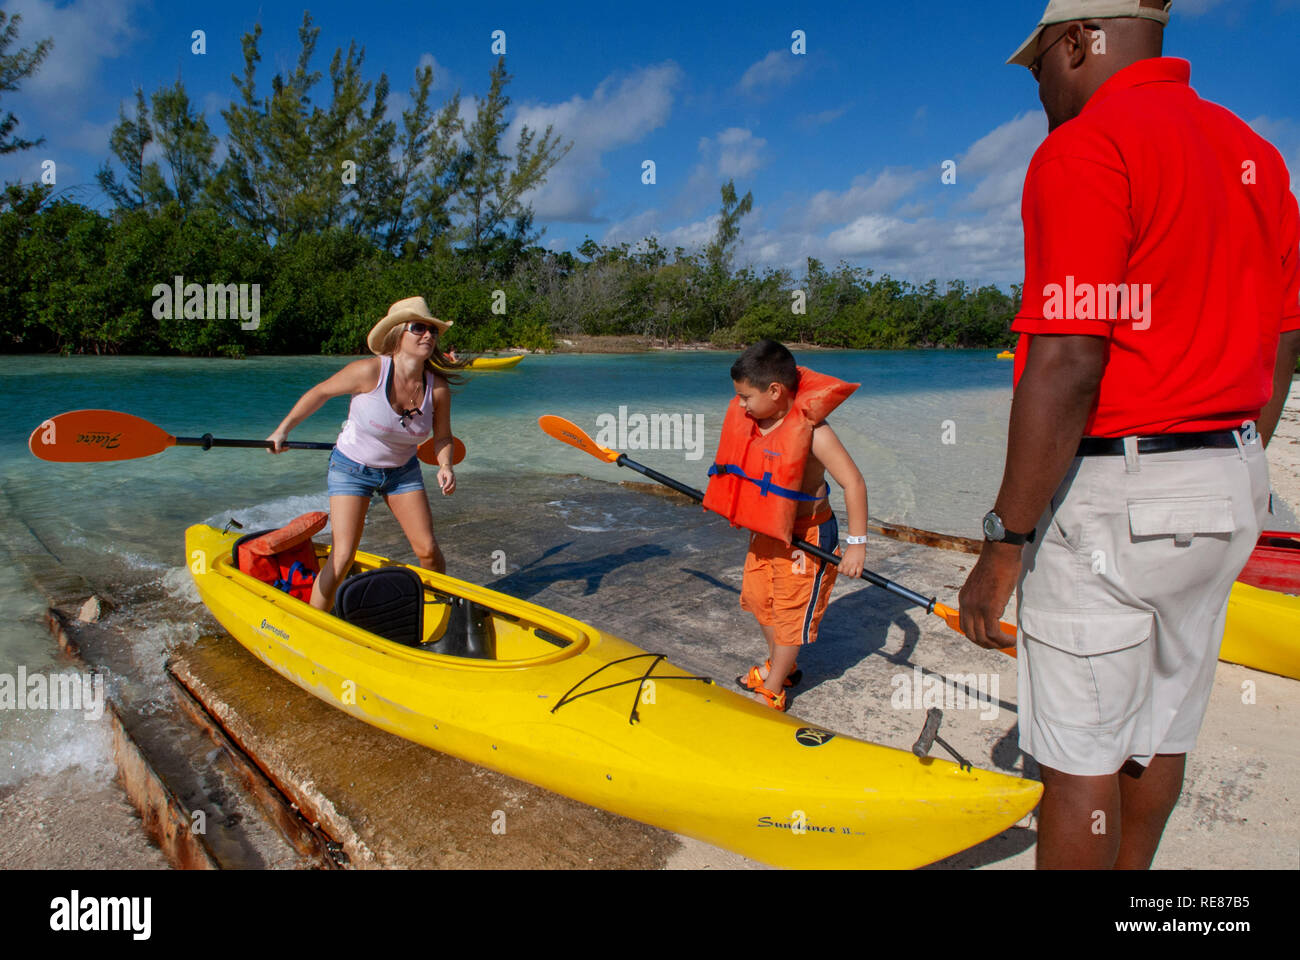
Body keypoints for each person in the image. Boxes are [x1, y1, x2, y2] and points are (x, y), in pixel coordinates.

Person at [959, 0, 1300, 869]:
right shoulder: (1252, 152)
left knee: (1078, 764)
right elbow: (1286, 331)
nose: (1039, 91)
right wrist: (1240, 455)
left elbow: (1069, 359)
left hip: (1119, 497)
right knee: (1160, 731)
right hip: (1228, 485)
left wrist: (1007, 540)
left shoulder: (1086, 147)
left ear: (1077, 41)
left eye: (1038, 68)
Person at [266, 296, 469, 612]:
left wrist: (445, 465)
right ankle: (312, 620)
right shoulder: (369, 372)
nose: (428, 335)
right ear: (398, 334)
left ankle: (437, 611)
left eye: (432, 330)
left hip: (402, 471)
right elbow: (320, 392)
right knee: (343, 556)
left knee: (428, 550)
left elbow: (442, 437)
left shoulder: (437, 388)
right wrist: (283, 430)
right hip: (351, 468)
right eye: (419, 328)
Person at [703, 340, 869, 710]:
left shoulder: (814, 432)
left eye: (746, 397)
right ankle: (785, 664)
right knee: (759, 601)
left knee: (791, 614)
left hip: (808, 535)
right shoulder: (753, 422)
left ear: (775, 390)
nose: (741, 405)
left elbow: (853, 482)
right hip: (766, 531)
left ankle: (774, 686)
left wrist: (856, 544)